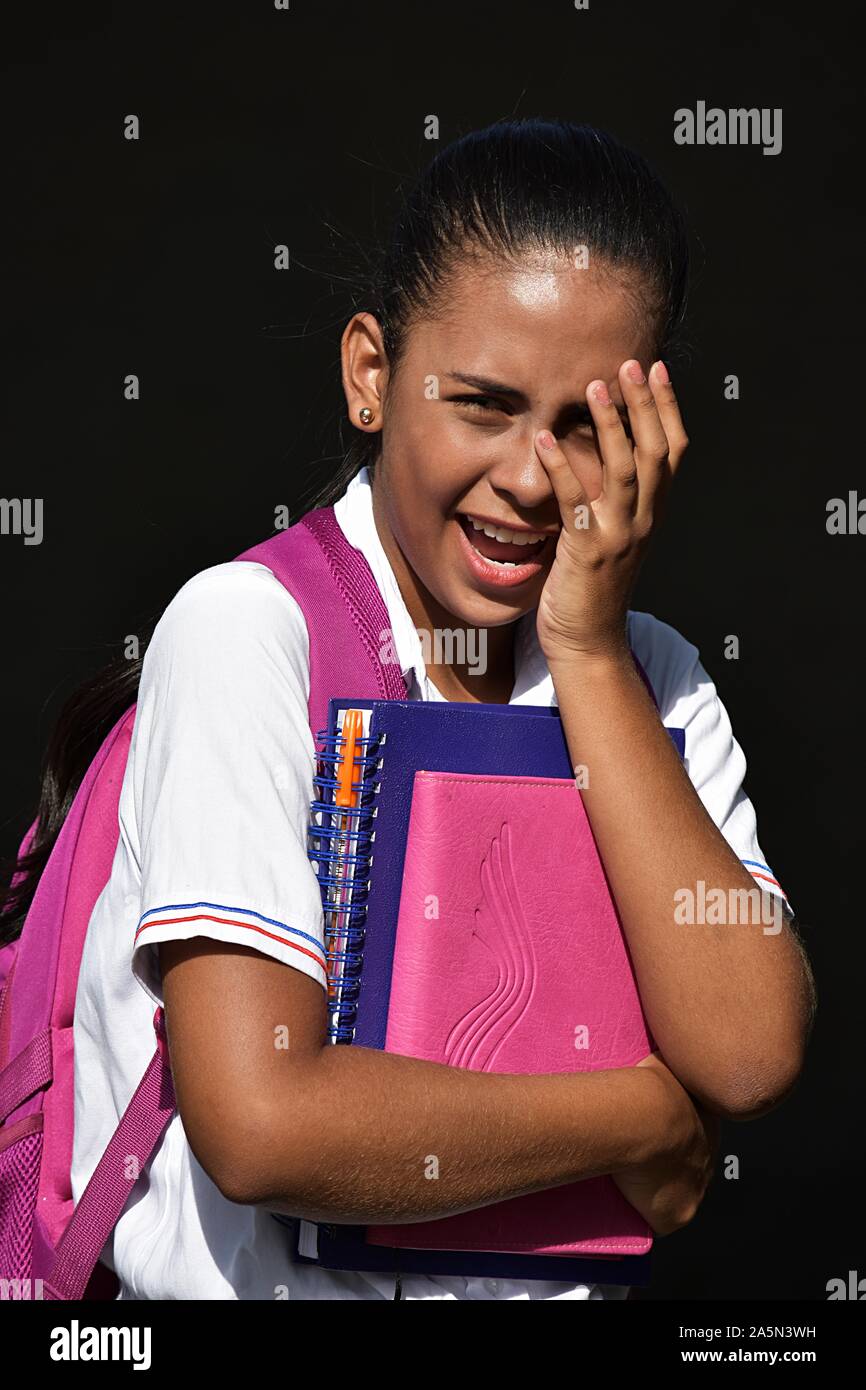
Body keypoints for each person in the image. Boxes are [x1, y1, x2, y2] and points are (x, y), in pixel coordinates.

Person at [1, 118, 814, 1300]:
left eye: (585, 426)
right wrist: (635, 1119)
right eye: (483, 404)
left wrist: (583, 654)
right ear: (370, 374)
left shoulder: (657, 682)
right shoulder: (246, 632)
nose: (533, 478)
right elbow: (264, 1123)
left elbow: (744, 1053)